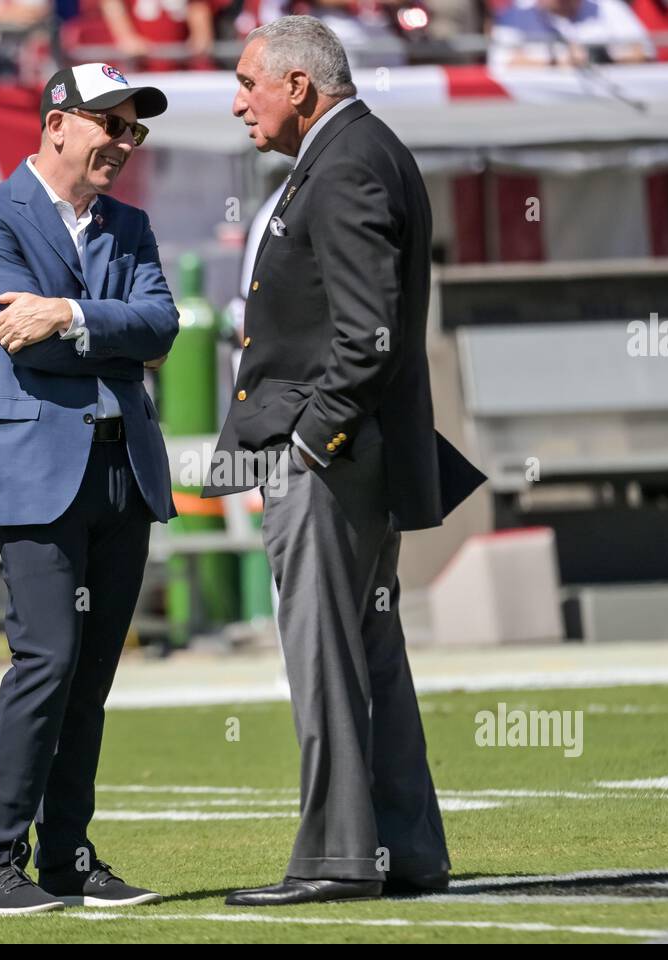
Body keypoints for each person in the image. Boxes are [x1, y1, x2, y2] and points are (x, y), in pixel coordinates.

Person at [203, 15, 486, 906]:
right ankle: (407, 850)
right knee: (372, 650)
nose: (238, 99)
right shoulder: (359, 150)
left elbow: (368, 330)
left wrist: (307, 440)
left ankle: (333, 857)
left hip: (333, 460)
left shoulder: (348, 159)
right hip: (360, 451)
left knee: (326, 653)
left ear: (299, 85)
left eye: (250, 81)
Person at [0, 62, 178, 915]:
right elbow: (23, 343)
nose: (123, 143)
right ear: (55, 123)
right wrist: (91, 330)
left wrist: (71, 313)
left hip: (123, 468)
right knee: (46, 662)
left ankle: (66, 858)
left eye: (132, 131)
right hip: (35, 474)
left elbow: (162, 326)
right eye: (109, 124)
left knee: (91, 677)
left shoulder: (131, 223)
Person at [489, 0, 652, 69]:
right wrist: (559, 64)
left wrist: (601, 60)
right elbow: (502, 63)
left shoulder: (607, 7)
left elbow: (644, 53)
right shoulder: (515, 14)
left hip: (613, 107)